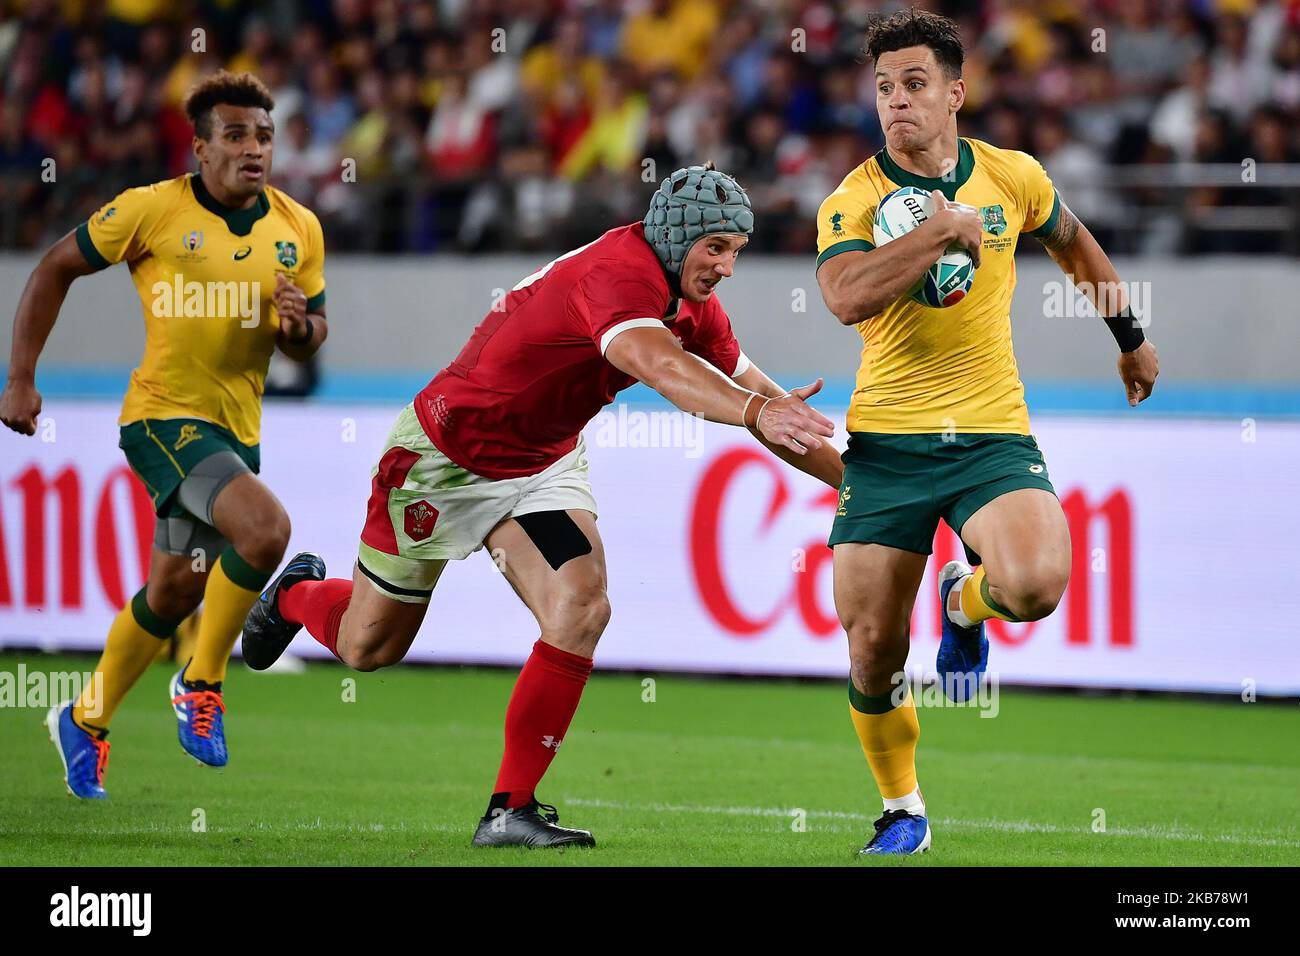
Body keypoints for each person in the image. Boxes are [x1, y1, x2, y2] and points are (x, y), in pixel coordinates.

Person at [242, 163, 844, 848]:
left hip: (540, 466)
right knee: (367, 647)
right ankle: (295, 595)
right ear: (677, 237)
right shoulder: (618, 276)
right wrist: (759, 411)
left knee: (582, 605)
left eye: (736, 251)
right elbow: (667, 371)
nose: (728, 267)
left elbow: (770, 407)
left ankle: (510, 810)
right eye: (717, 248)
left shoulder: (693, 303)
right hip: (446, 458)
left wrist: (853, 485)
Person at [814, 9, 1159, 855]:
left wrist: (1130, 336)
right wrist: (938, 230)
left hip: (989, 433)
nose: (896, 101)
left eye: (915, 83)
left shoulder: (1012, 176)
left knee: (1037, 585)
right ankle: (902, 809)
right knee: (872, 649)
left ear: (956, 93)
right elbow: (845, 297)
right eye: (884, 87)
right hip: (887, 445)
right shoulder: (854, 198)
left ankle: (962, 601)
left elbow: (1075, 246)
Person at [0, 71, 328, 798]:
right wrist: (20, 377)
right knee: (267, 530)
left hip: (236, 431)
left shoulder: (298, 228)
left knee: (175, 590)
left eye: (264, 136)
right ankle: (202, 681)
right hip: (162, 419)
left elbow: (310, 336)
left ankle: (84, 718)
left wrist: (299, 328)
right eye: (236, 136)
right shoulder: (151, 209)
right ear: (201, 148)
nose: (254, 149)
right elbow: (55, 267)